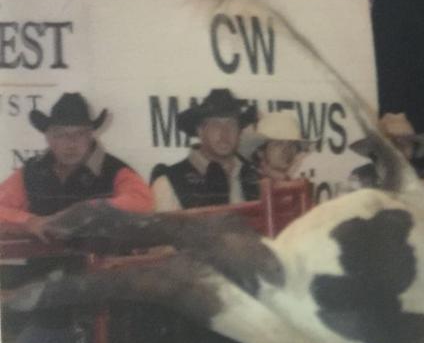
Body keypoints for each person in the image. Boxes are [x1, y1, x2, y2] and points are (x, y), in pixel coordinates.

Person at [0, 91, 153, 239]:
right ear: (48, 137)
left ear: (90, 136)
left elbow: (142, 203)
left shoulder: (115, 170)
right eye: (61, 134)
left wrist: (87, 211)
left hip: (99, 262)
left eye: (79, 134)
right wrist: (28, 221)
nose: (71, 143)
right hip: (41, 263)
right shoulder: (32, 171)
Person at [151, 88, 259, 211]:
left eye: (231, 124)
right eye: (215, 125)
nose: (225, 133)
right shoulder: (169, 183)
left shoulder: (255, 177)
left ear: (239, 132)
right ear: (200, 131)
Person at [348, 112, 424, 214]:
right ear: (377, 149)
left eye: (406, 144)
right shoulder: (360, 177)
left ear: (414, 149)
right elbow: (351, 211)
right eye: (392, 143)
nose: (399, 149)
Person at [242, 110, 313, 182]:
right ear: (260, 151)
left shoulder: (295, 185)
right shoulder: (248, 185)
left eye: (291, 144)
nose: (287, 149)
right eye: (279, 143)